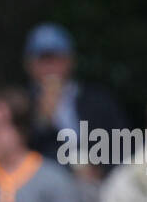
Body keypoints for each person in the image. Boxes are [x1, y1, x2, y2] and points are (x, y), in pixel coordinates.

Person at [23, 23, 128, 185]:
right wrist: (43, 121)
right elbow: (19, 151)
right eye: (43, 60)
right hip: (40, 187)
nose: (50, 68)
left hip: (97, 184)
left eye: (56, 59)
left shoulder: (97, 100)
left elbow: (122, 145)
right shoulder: (20, 104)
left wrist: (101, 170)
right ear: (30, 65)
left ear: (70, 61)